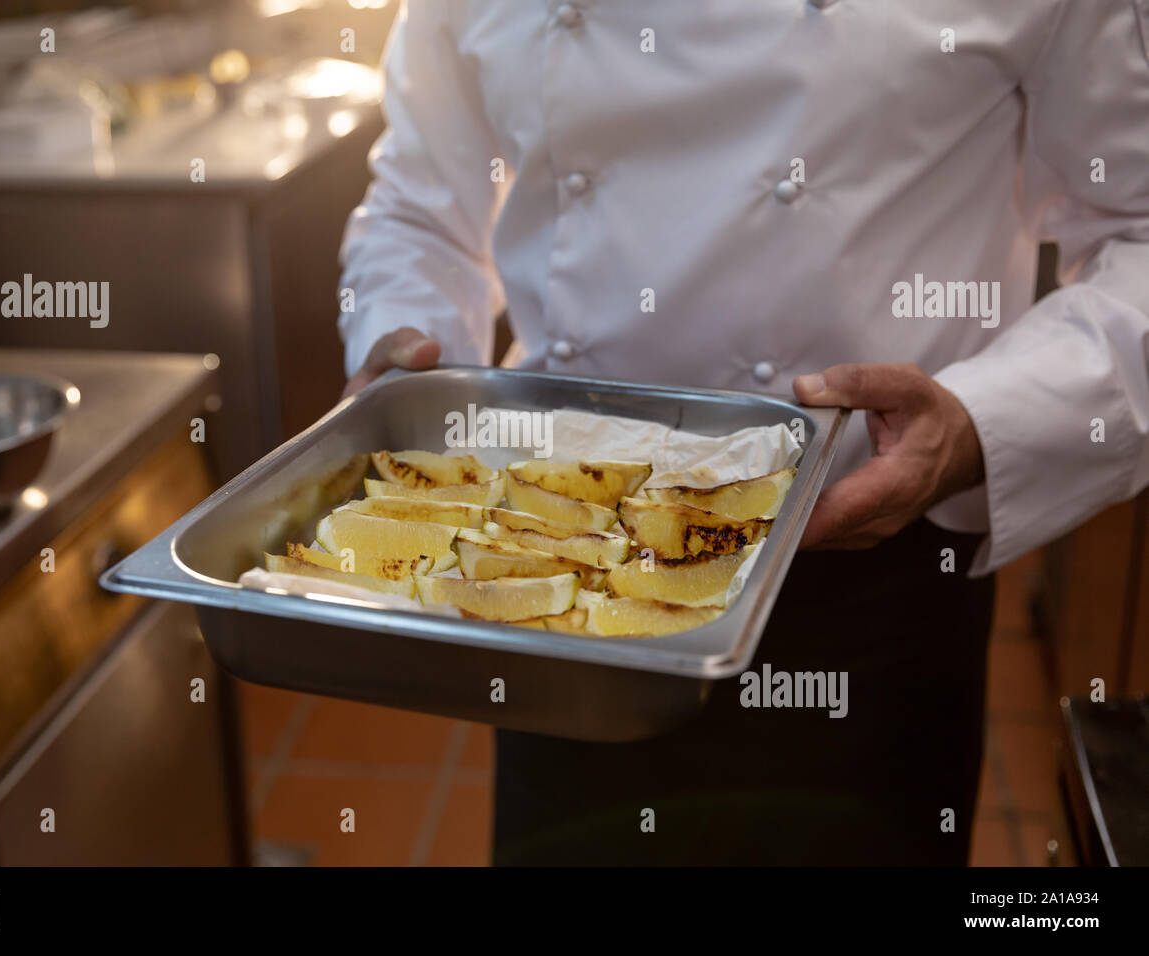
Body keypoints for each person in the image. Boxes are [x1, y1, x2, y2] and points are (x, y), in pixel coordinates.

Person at [336, 1, 1149, 864]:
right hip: (558, 569)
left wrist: (981, 425)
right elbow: (419, 206)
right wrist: (408, 345)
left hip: (870, 582)